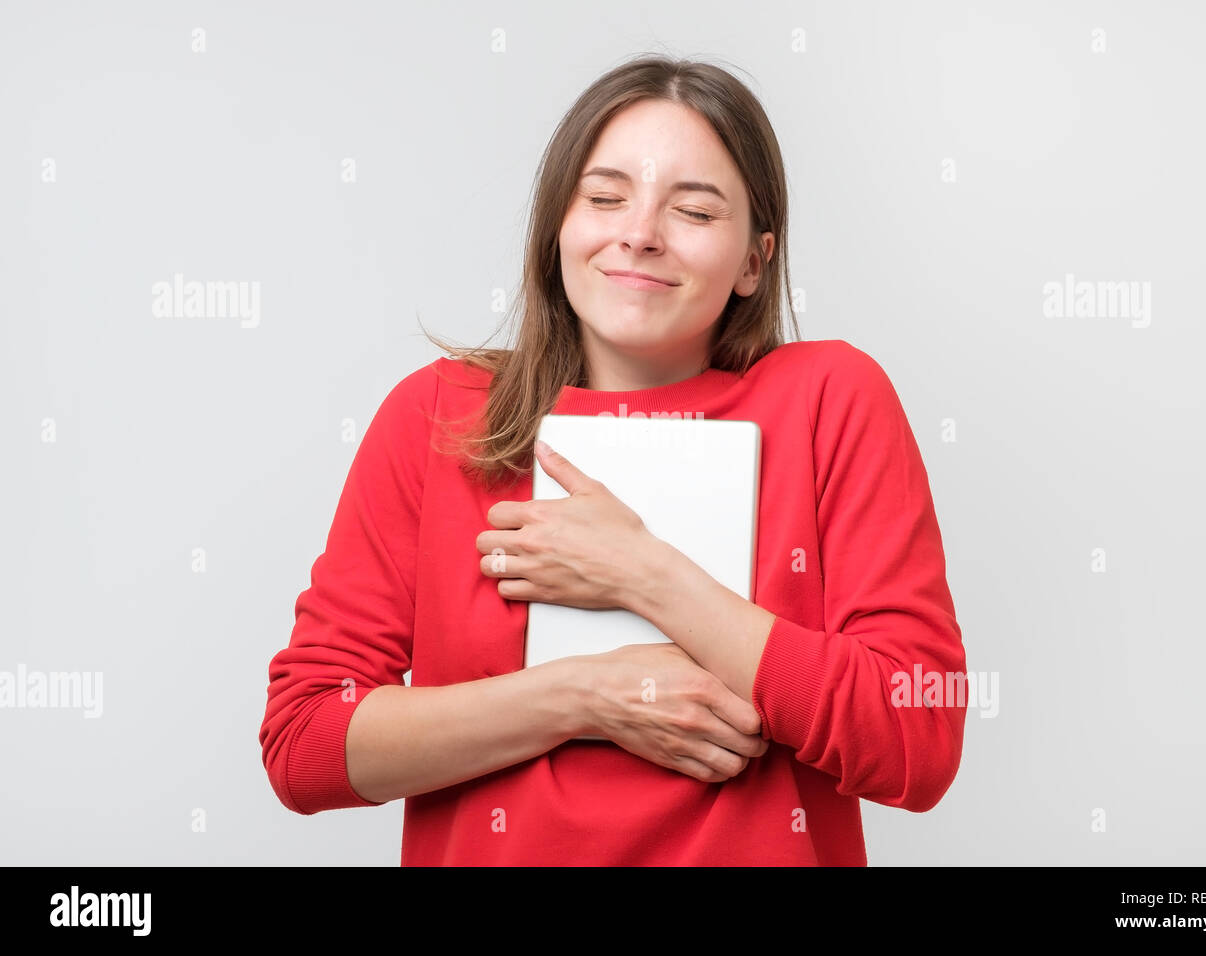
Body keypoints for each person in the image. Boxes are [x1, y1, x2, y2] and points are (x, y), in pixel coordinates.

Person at [258, 54, 968, 866]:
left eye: (694, 212)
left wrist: (645, 575)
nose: (639, 232)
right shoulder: (439, 415)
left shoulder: (827, 399)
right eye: (604, 197)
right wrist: (583, 696)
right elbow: (305, 744)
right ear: (560, 224)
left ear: (753, 261)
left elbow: (916, 738)